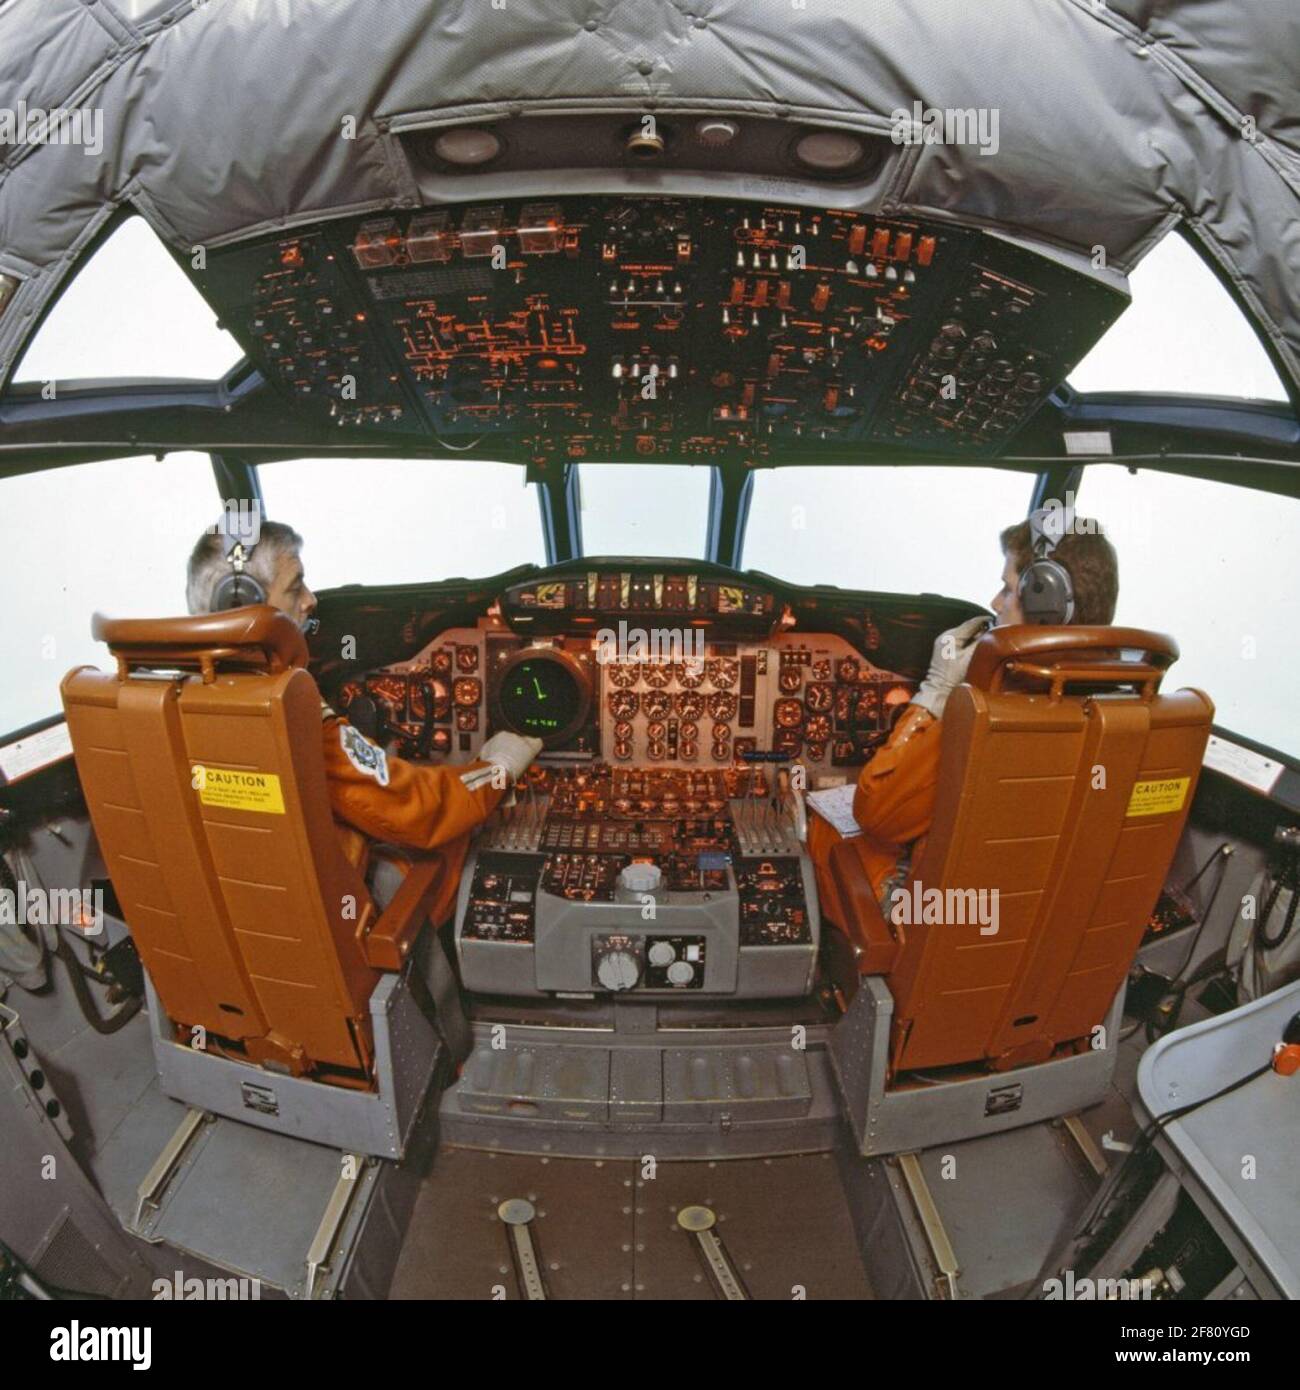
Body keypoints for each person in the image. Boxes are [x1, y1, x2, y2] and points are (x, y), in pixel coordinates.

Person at [185, 517, 541, 919]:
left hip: (234, 919)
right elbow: (424, 809)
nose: (310, 600)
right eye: (294, 586)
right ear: (244, 607)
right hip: (334, 931)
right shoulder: (294, 721)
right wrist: (498, 768)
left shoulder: (161, 703)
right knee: (458, 838)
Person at [808, 509, 1120, 928]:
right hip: (1043, 922)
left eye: (1007, 590)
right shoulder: (1125, 712)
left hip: (942, 923)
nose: (994, 603)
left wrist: (937, 691)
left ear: (1045, 603)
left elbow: (876, 815)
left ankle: (850, 980)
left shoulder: (989, 714)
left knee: (830, 832)